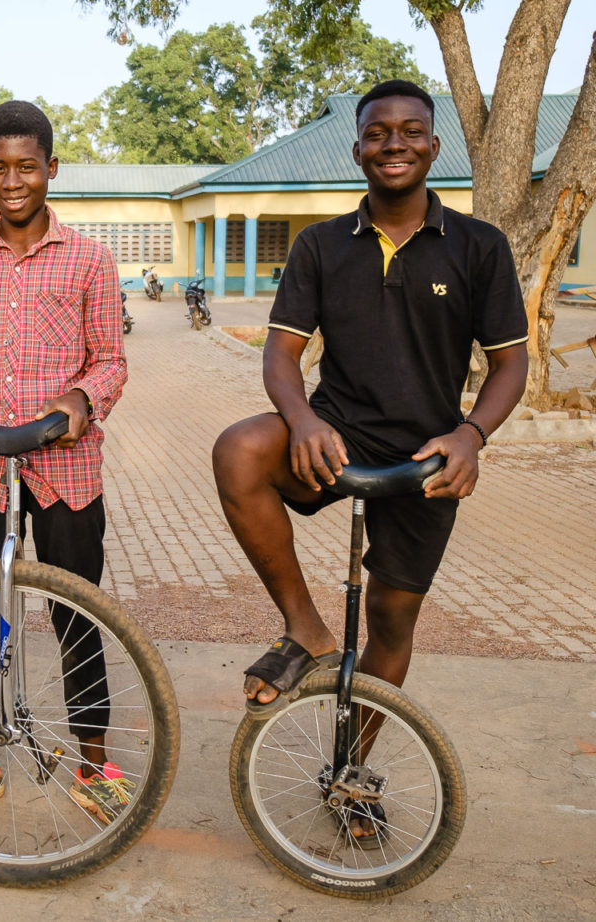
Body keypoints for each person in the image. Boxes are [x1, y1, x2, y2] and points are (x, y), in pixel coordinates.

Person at [212, 80, 528, 840]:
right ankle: (306, 630)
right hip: (338, 433)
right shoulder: (322, 245)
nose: (394, 143)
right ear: (357, 150)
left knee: (390, 617)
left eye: (409, 131)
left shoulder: (479, 246)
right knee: (240, 451)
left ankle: (351, 775)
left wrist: (471, 435)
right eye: (378, 133)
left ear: (432, 146)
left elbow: (510, 365)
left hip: (427, 454)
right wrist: (302, 417)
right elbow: (283, 357)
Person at [0, 100, 128, 825]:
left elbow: (110, 360)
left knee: (78, 614)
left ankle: (95, 761)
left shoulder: (91, 259)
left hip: (65, 468)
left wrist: (79, 401)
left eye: (28, 167)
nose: (14, 181)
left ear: (51, 169)